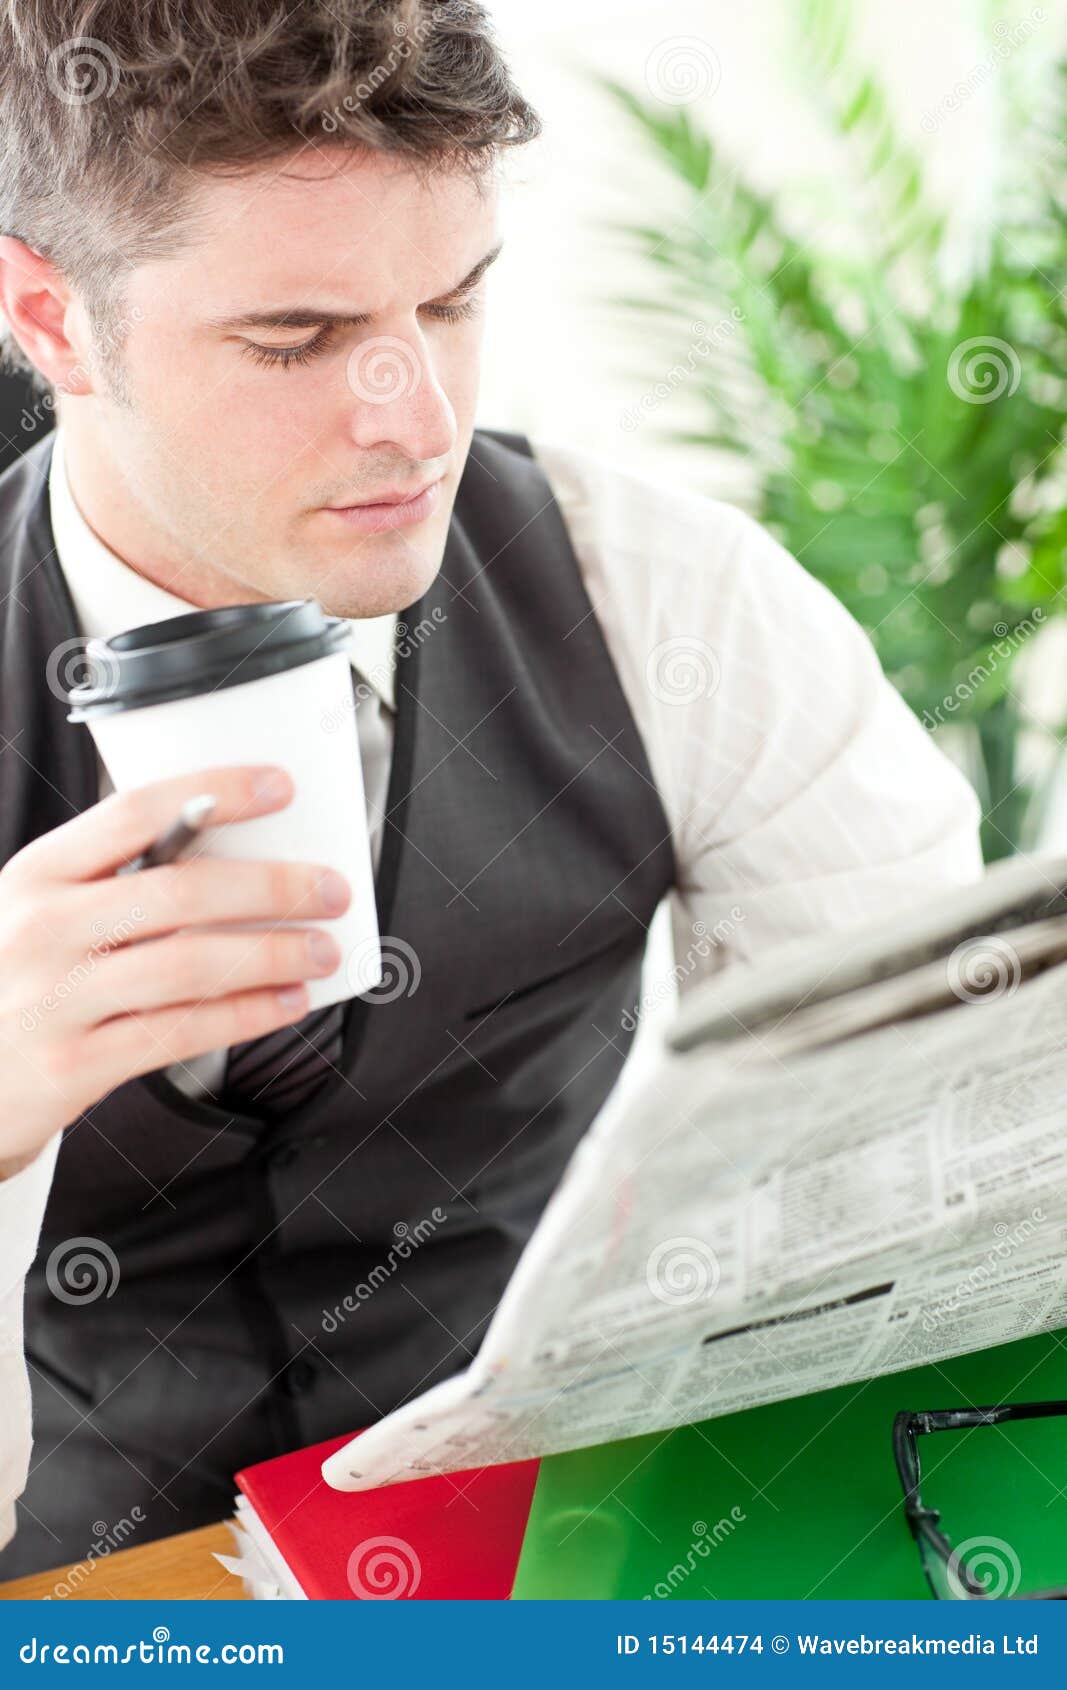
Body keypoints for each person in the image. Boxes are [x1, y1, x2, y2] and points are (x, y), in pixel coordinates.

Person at [0, 0, 982, 1579]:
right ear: (51, 320)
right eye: (294, 340)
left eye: (452, 304)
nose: (416, 418)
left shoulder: (673, 606)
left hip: (574, 1567)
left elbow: (906, 1178)